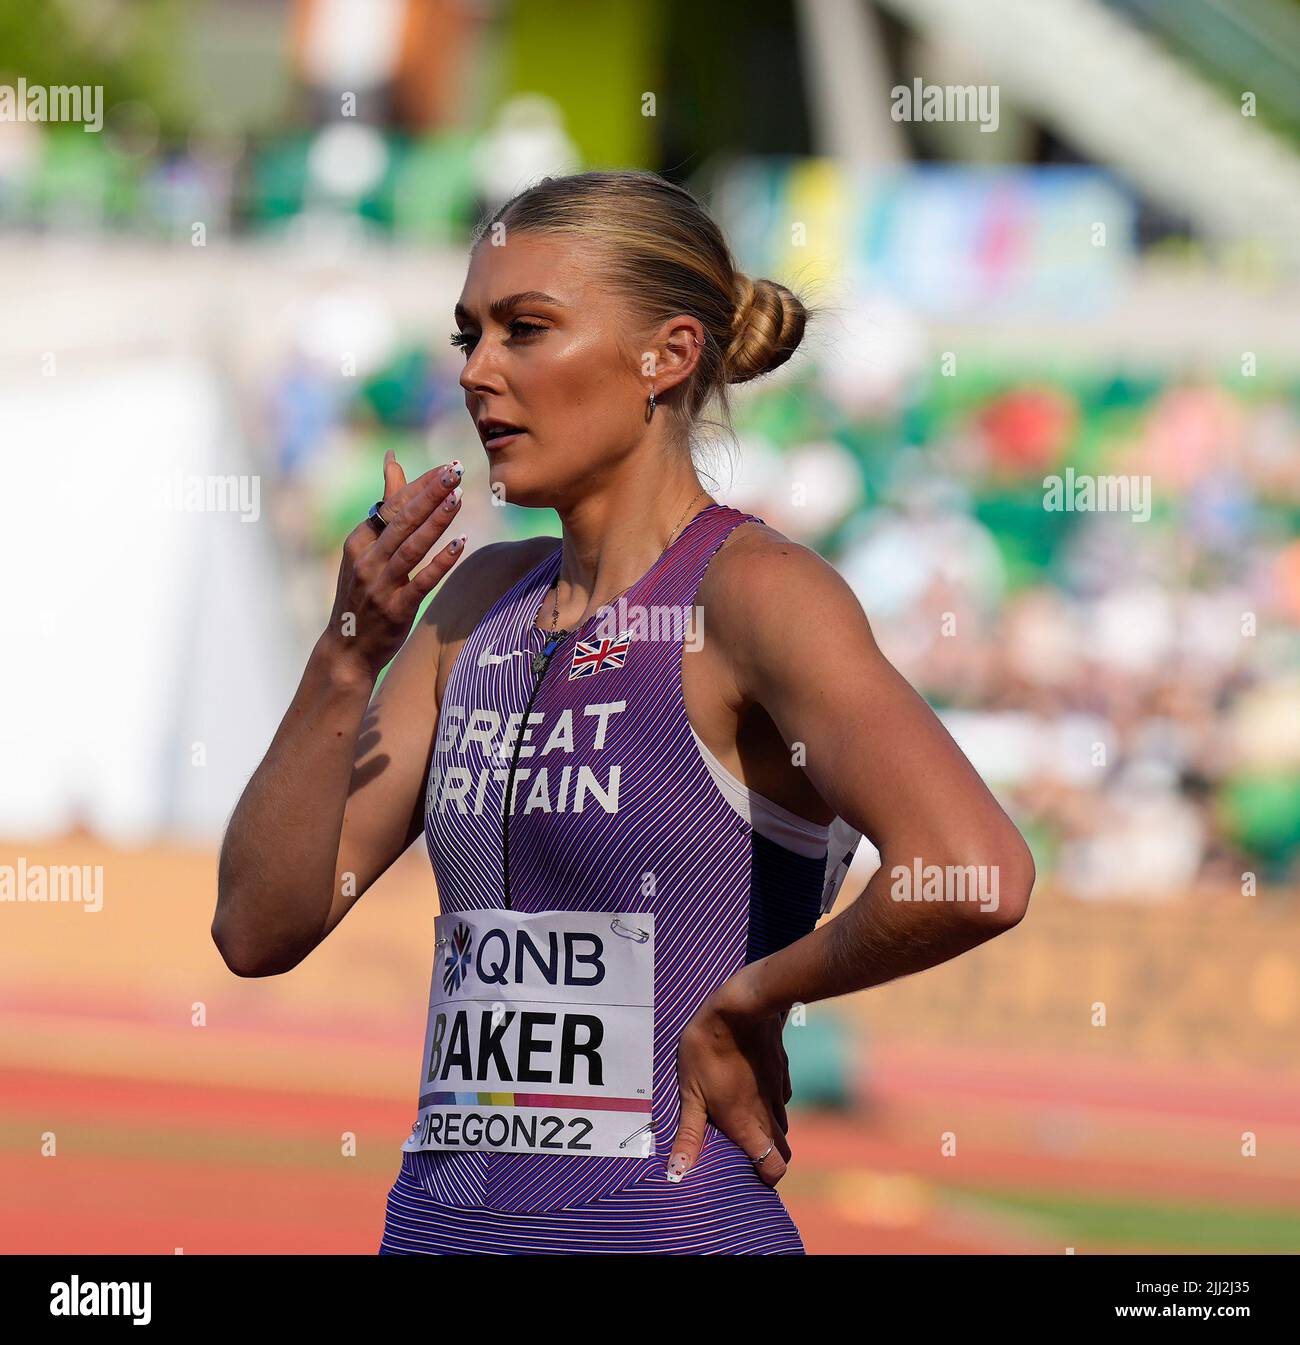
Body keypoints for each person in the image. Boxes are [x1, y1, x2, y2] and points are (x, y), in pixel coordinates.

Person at [213, 169, 1035, 1255]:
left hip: (667, 1229)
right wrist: (346, 656)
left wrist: (755, 997)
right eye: (469, 336)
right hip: (436, 1232)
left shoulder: (754, 596)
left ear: (669, 354)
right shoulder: (470, 606)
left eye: (526, 329)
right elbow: (257, 929)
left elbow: (976, 871)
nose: (477, 372)